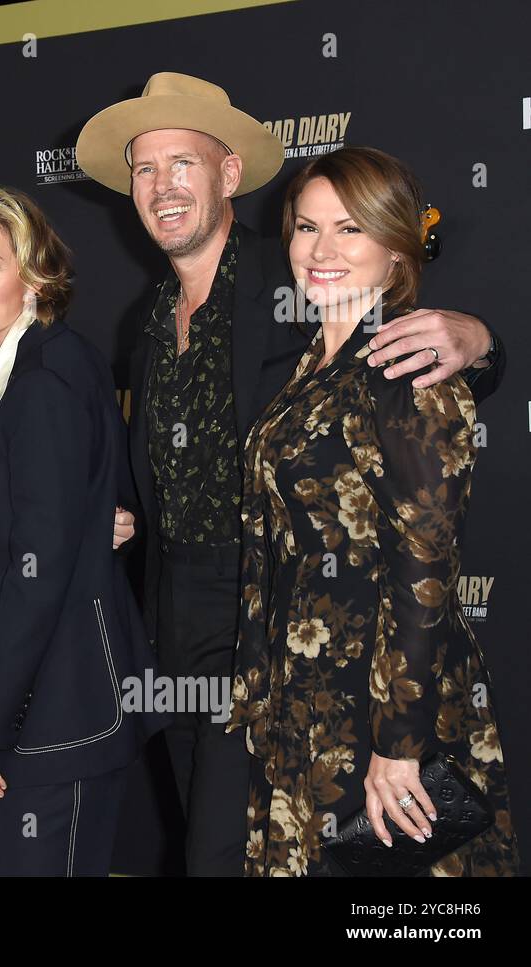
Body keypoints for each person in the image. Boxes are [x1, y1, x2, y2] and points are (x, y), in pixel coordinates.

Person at [75, 72, 505, 875]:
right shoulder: (146, 319)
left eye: (183, 163)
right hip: (199, 642)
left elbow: (411, 370)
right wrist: (120, 512)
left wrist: (479, 338)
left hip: (296, 634)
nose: (162, 187)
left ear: (228, 174)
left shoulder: (293, 274)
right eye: (145, 169)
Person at [225, 147, 519, 876]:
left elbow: (425, 571)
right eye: (305, 227)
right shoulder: (312, 366)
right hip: (304, 703)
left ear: (396, 250)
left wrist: (400, 744)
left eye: (349, 229)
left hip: (375, 709)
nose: (320, 250)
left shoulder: (405, 370)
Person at [0, 186, 164, 876]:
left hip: (56, 709)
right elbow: (108, 497)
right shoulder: (38, 361)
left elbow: (39, 569)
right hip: (67, 698)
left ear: (34, 275)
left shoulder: (40, 381)